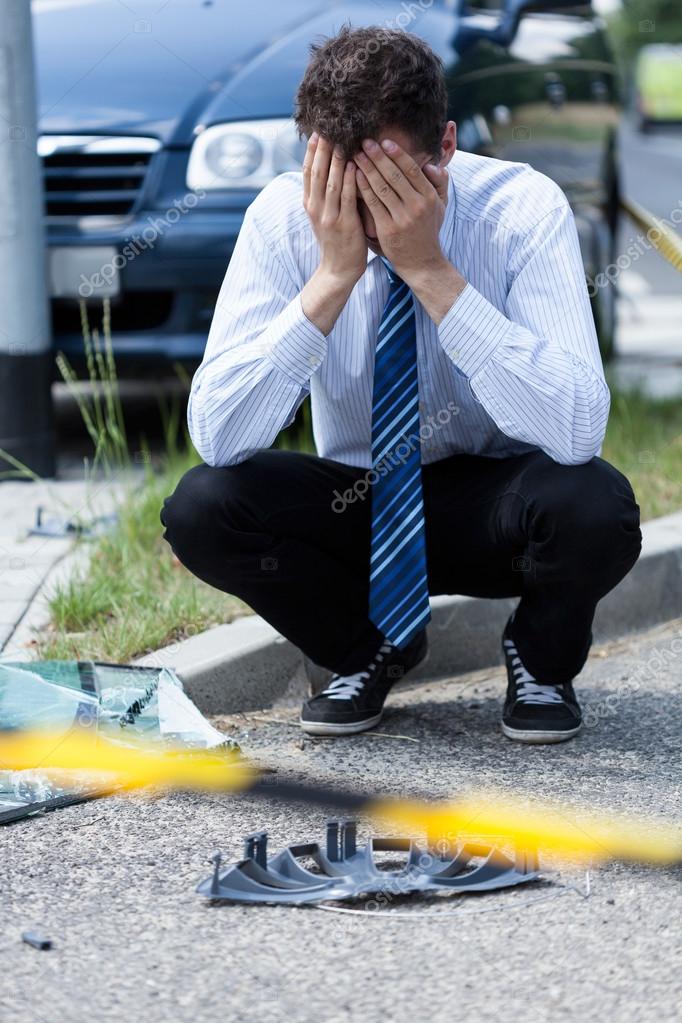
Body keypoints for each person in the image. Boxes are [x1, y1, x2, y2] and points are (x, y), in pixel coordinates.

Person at [160, 25, 642, 745]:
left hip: (496, 507)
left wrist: (432, 273)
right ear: (314, 160)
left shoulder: (520, 209)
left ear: (445, 147)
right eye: (351, 192)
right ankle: (365, 650)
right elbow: (220, 436)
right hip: (363, 501)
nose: (374, 219)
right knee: (202, 506)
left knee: (596, 503)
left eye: (394, 189)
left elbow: (577, 428)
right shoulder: (283, 219)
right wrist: (330, 279)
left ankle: (541, 660)